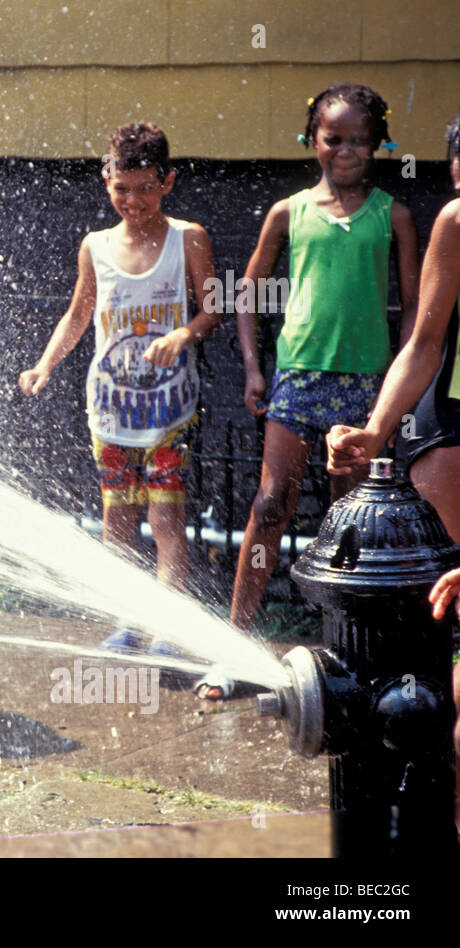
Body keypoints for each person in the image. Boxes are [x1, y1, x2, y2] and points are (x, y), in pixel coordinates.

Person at [17, 123, 220, 666]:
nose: (133, 200)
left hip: (169, 411)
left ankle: (167, 627)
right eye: (121, 188)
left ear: (168, 182)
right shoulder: (96, 247)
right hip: (110, 410)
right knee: (117, 521)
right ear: (106, 181)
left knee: (166, 519)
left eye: (145, 188)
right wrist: (44, 366)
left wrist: (182, 334)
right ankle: (129, 622)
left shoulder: (188, 238)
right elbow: (79, 313)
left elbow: (214, 307)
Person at [230, 84, 420, 656]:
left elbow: (415, 309)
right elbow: (248, 290)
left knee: (351, 514)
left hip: (365, 384)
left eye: (360, 141)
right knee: (270, 505)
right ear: (311, 139)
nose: (346, 151)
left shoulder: (396, 216)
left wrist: (398, 384)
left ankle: (345, 645)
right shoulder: (289, 212)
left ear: (380, 143)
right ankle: (234, 635)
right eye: (333, 138)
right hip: (298, 376)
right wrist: (252, 367)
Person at [326, 108, 460, 823]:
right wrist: (378, 430)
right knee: (428, 629)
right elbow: (426, 338)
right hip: (454, 428)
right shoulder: (456, 224)